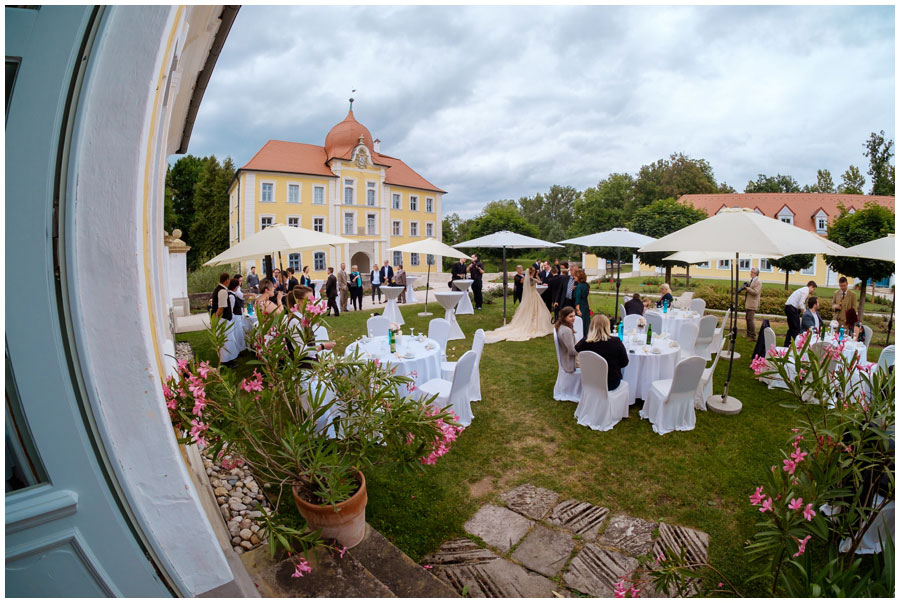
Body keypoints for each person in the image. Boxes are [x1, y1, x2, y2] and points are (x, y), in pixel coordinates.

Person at [484, 266, 554, 343]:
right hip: (534, 296)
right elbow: (540, 282)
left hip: (529, 297)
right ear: (533, 272)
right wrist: (537, 275)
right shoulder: (532, 279)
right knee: (537, 310)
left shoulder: (527, 279)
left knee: (529, 310)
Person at [575, 314, 630, 392]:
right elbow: (624, 363)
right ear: (607, 326)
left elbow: (576, 348)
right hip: (610, 383)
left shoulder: (585, 342)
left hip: (590, 381)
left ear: (592, 326)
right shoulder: (616, 342)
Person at [784, 280, 817, 346]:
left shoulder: (802, 290)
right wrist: (805, 313)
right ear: (811, 286)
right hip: (791, 308)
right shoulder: (806, 291)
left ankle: (787, 344)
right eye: (813, 288)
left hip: (788, 307)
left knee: (792, 328)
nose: (813, 290)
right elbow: (801, 303)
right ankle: (792, 344)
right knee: (796, 328)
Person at [555, 306, 579, 374]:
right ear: (564, 317)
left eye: (574, 316)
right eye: (570, 316)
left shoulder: (561, 326)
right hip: (572, 362)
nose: (573, 318)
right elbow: (572, 351)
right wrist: (583, 350)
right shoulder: (566, 331)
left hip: (568, 359)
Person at [743, 267, 762, 341]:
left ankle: (753, 336)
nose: (751, 273)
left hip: (753, 303)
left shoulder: (758, 281)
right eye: (751, 272)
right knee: (747, 319)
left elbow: (756, 292)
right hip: (749, 303)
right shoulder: (753, 280)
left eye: (752, 272)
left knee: (750, 319)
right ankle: (748, 334)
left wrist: (747, 288)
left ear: (756, 273)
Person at [573, 269, 591, 335]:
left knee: (580, 323)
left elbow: (578, 299)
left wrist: (577, 309)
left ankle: (581, 337)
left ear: (579, 277)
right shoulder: (586, 285)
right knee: (586, 323)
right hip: (586, 305)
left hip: (581, 306)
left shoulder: (579, 287)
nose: (574, 277)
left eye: (575, 276)